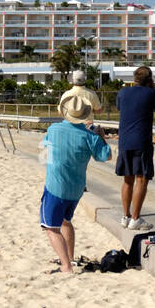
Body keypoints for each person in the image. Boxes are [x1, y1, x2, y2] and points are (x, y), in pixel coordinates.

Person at [40, 93, 112, 273]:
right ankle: (69, 258)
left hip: (56, 187)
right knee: (66, 221)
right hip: (76, 189)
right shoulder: (91, 136)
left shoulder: (53, 129)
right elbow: (106, 156)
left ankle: (65, 265)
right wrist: (101, 137)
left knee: (51, 228)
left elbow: (42, 155)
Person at [114, 66, 155, 231]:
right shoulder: (151, 94)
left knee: (127, 180)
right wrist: (154, 89)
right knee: (141, 179)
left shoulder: (122, 92)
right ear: (150, 80)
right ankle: (135, 218)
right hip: (141, 141)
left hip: (124, 140)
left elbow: (120, 107)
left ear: (134, 78)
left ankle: (126, 216)